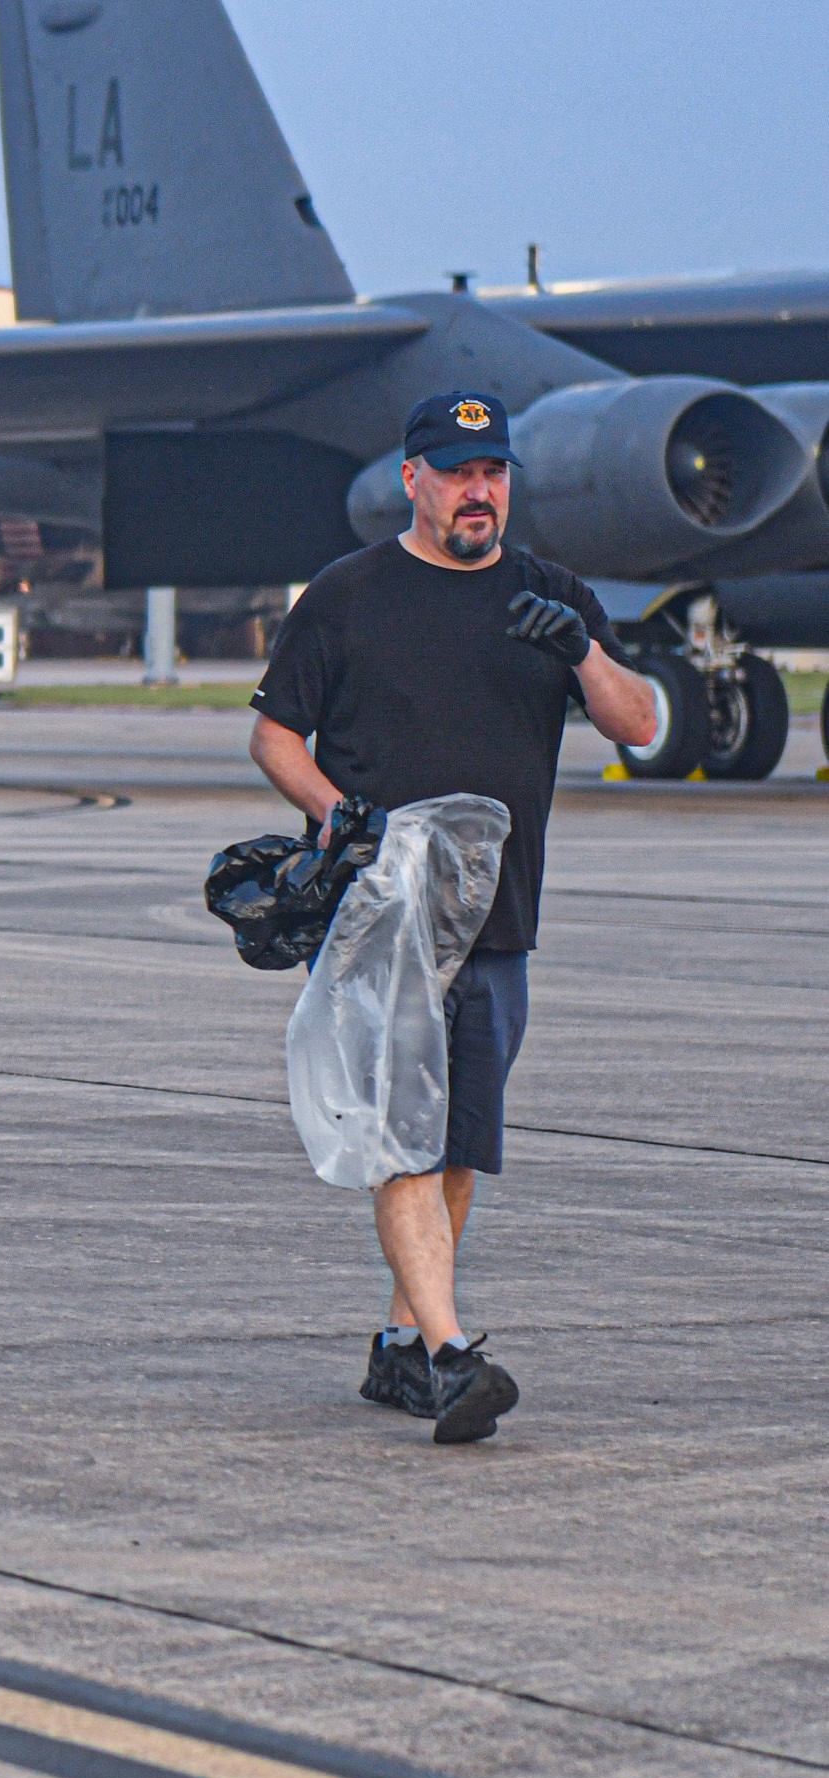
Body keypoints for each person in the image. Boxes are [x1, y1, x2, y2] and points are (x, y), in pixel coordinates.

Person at [247, 391, 656, 1445]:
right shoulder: (346, 594)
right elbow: (275, 737)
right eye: (457, 471)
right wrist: (340, 819)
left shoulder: (549, 595)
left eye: (493, 472)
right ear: (412, 479)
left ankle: (399, 1347)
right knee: (403, 1142)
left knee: (457, 1142)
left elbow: (640, 724)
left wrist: (582, 651)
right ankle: (447, 1355)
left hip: (499, 920)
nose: (478, 491)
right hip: (379, 923)